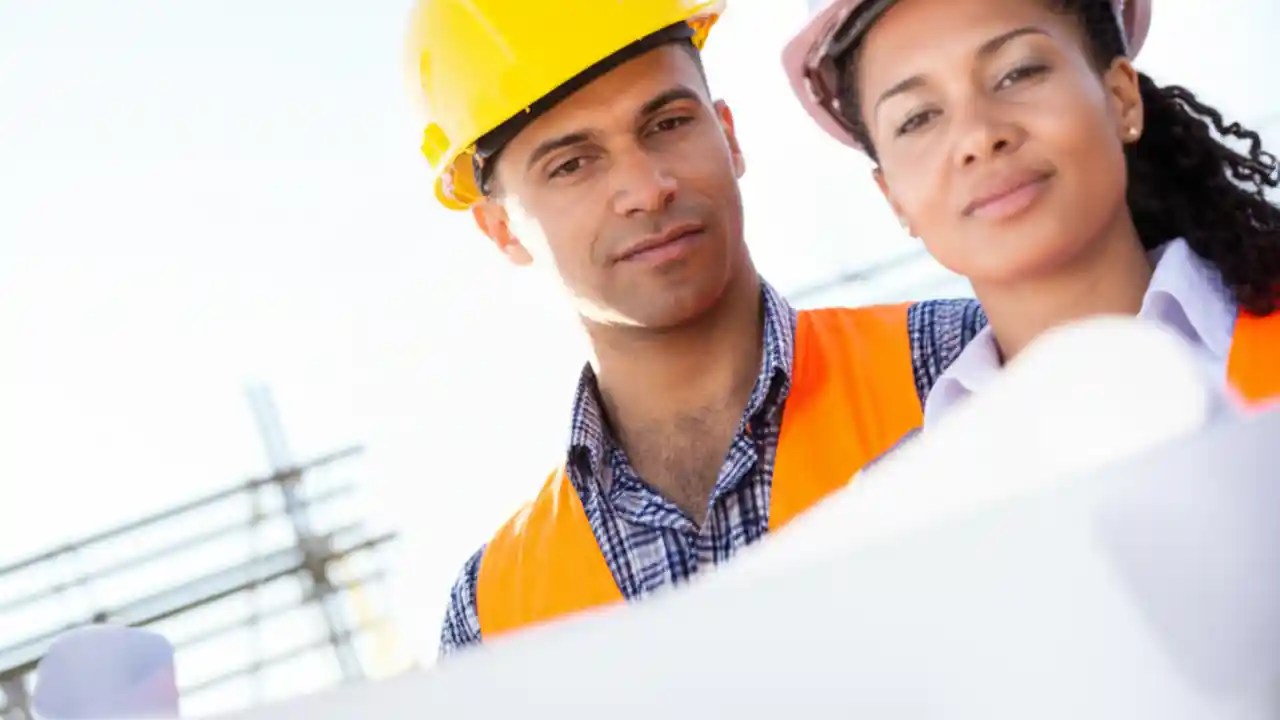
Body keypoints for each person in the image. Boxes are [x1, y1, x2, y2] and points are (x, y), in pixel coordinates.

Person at [407, 0, 986, 655]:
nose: (646, 187)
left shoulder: (967, 368)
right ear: (502, 229)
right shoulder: (492, 621)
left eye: (668, 123)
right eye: (572, 164)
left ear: (729, 135)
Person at [782, 0, 1280, 426]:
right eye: (918, 118)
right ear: (894, 198)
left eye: (1017, 73)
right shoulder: (905, 502)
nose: (979, 136)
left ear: (1121, 99)